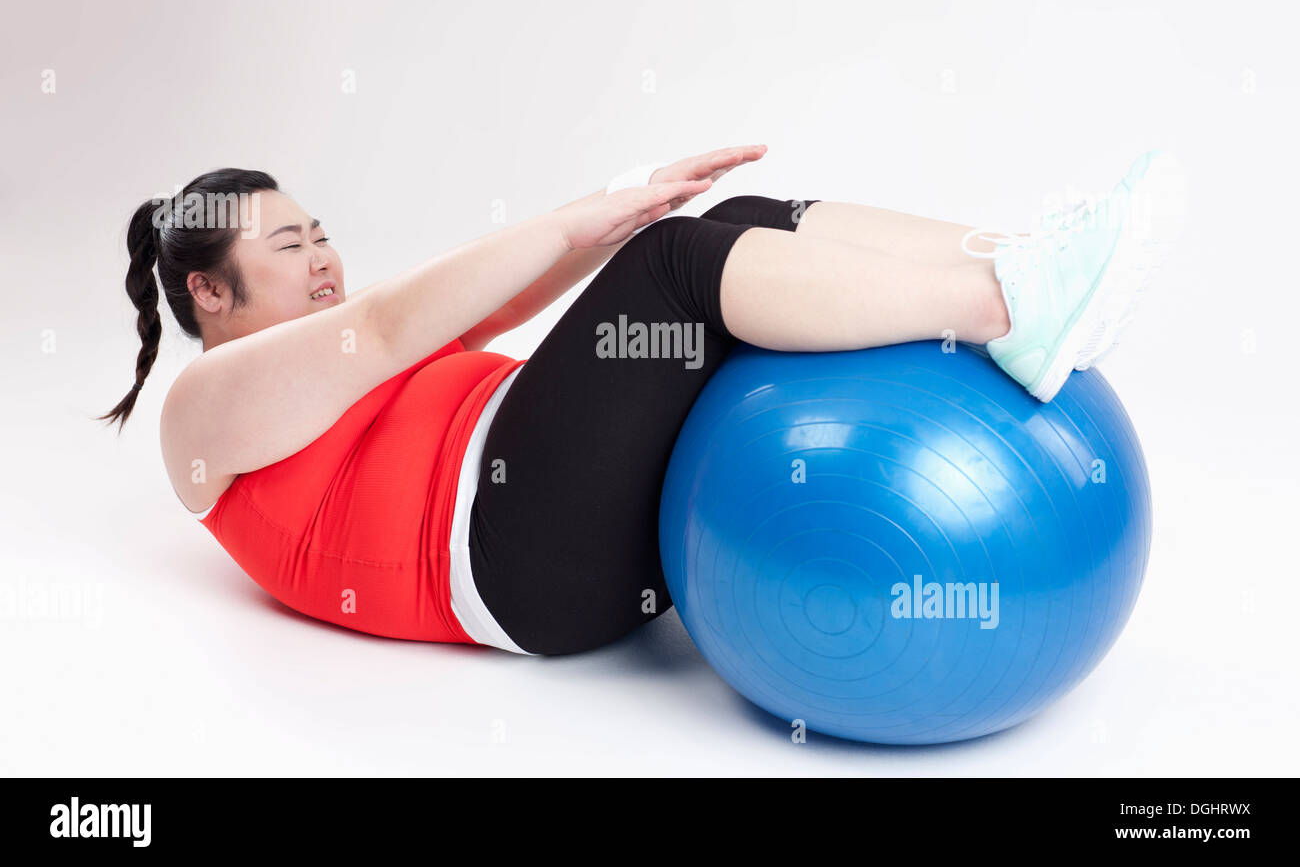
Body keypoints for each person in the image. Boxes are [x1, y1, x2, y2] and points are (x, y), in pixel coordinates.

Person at [98, 144, 1182, 655]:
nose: (326, 258)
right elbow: (389, 328)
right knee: (676, 268)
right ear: (208, 290)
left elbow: (471, 310)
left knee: (732, 219)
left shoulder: (318, 353)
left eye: (322, 231)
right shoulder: (207, 404)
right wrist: (589, 229)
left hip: (573, 519)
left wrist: (609, 220)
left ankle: (1029, 259)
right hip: (516, 566)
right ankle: (1007, 303)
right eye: (290, 246)